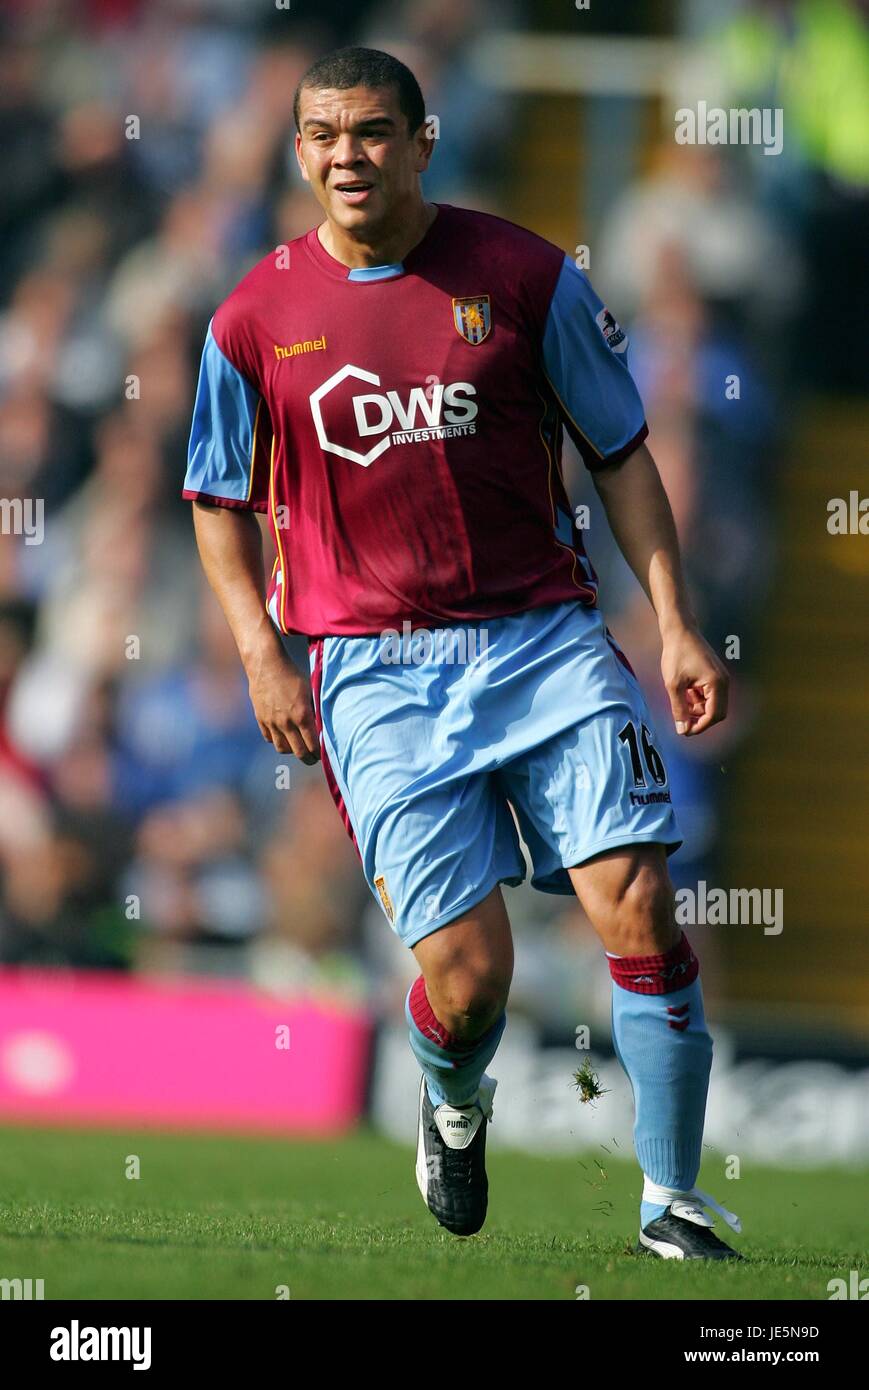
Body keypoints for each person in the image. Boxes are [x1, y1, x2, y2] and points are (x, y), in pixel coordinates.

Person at [183, 46, 741, 1260]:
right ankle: (453, 1096)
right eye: (323, 135)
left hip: (543, 638)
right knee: (469, 976)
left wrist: (676, 620)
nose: (348, 155)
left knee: (637, 900)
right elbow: (213, 498)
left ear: (421, 142)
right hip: (373, 672)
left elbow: (620, 453)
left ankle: (671, 1199)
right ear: (296, 152)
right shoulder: (251, 319)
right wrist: (257, 653)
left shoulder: (523, 276)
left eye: (373, 131)